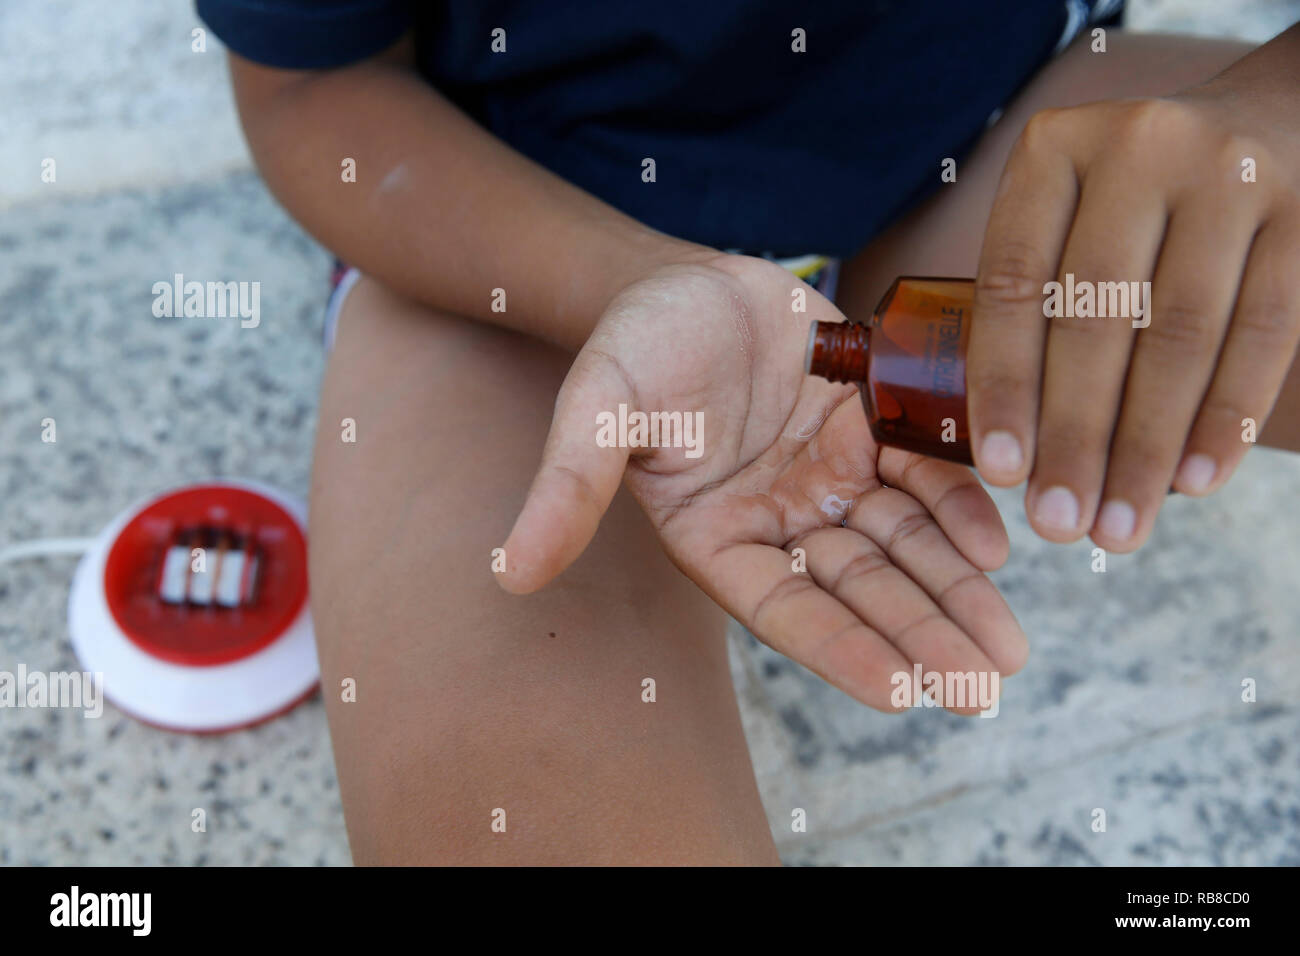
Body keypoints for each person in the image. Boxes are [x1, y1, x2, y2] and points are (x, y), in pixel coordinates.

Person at [197, 0, 1300, 863]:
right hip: (527, 242)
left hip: (997, 138)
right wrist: (634, 281)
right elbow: (314, 85)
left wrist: (1277, 99)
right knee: (512, 816)